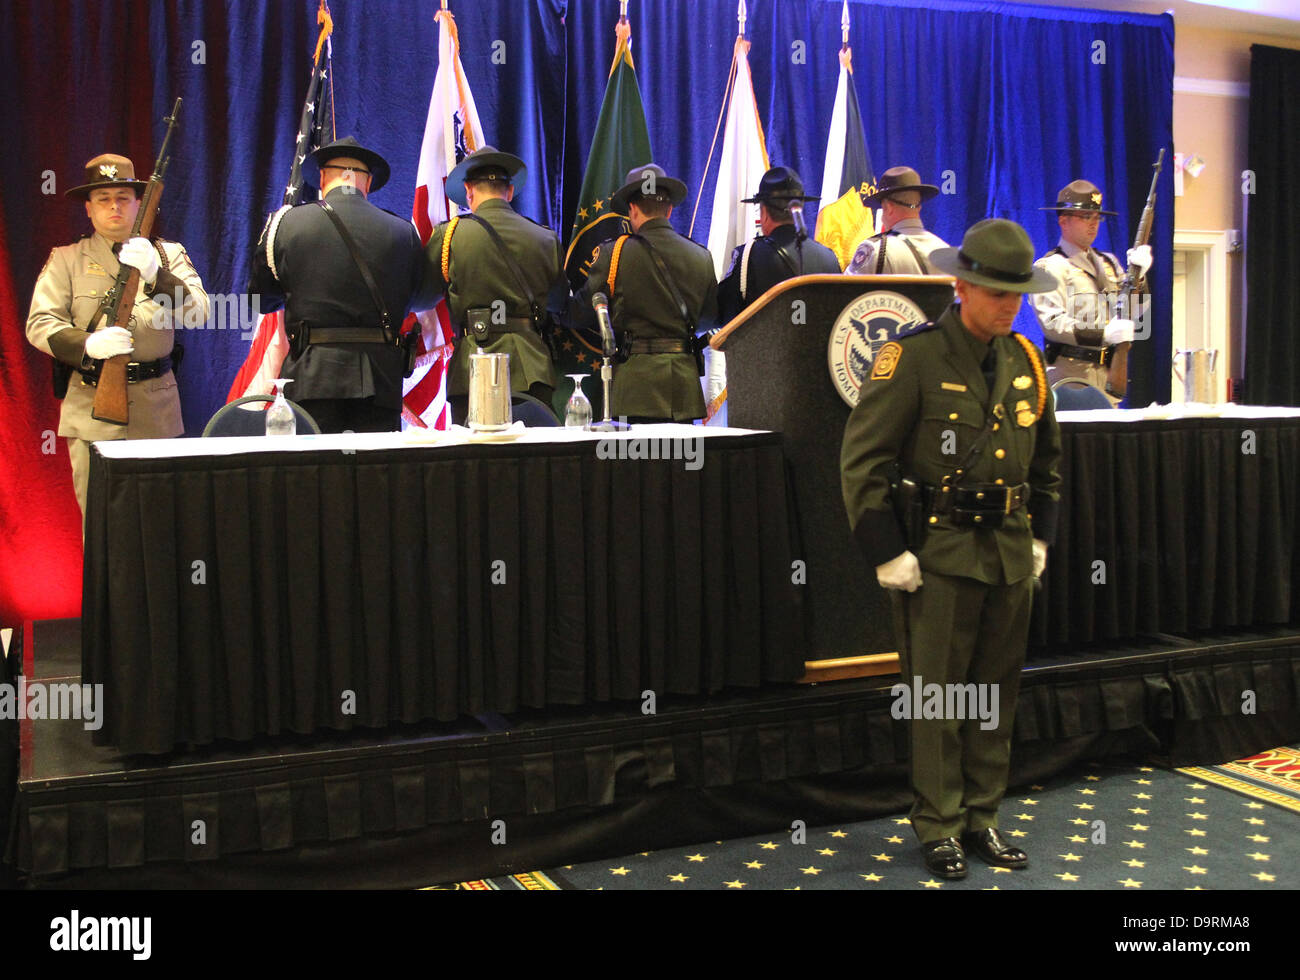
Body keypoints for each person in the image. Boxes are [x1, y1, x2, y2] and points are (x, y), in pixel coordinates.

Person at [840, 218, 1062, 880]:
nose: (1008, 304)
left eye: (1017, 293)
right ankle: (938, 823)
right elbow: (862, 462)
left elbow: (1047, 465)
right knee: (939, 698)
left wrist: (1042, 538)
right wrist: (886, 551)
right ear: (962, 287)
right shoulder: (913, 357)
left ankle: (982, 817)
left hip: (1010, 555)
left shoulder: (1025, 360)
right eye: (996, 291)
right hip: (939, 555)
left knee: (993, 694)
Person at [27, 153, 209, 517]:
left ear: (139, 204)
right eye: (103, 199)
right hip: (92, 409)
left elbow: (200, 314)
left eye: (123, 198)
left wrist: (159, 276)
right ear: (89, 210)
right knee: (99, 525)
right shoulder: (67, 259)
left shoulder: (168, 256)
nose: (114, 207)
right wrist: (88, 345)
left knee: (158, 522)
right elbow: (40, 323)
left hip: (155, 412)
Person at [249, 136, 436, 433]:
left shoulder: (284, 225)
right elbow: (419, 299)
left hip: (311, 378)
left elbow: (261, 300)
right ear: (369, 181)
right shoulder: (403, 233)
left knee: (315, 475)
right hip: (380, 382)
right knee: (377, 474)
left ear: (322, 178)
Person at [425, 145, 564, 421]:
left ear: (468, 190)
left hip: (471, 368)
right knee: (533, 461)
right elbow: (560, 303)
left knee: (474, 462)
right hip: (530, 368)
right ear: (509, 191)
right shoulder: (544, 238)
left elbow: (424, 296)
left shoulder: (449, 236)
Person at [574, 164, 717, 424]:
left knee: (637, 464)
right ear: (670, 210)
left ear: (633, 210)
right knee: (681, 462)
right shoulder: (701, 256)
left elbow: (583, 312)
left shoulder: (614, 253)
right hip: (683, 391)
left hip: (635, 388)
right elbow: (708, 320)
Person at [1030, 179, 1153, 395]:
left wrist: (1140, 279)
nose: (1093, 223)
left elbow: (1135, 312)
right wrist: (1103, 333)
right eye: (1086, 217)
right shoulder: (1050, 267)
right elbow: (1053, 323)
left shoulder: (1109, 263)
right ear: (1063, 221)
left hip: (1106, 376)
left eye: (1097, 217)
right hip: (1069, 378)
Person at [717, 166, 841, 325]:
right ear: (799, 209)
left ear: (764, 213)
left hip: (763, 349)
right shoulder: (829, 258)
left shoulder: (748, 256)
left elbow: (726, 315)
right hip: (817, 349)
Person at [844, 166, 949, 275]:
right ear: (919, 207)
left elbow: (847, 289)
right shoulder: (944, 251)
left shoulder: (875, 250)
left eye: (882, 208)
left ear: (888, 208)